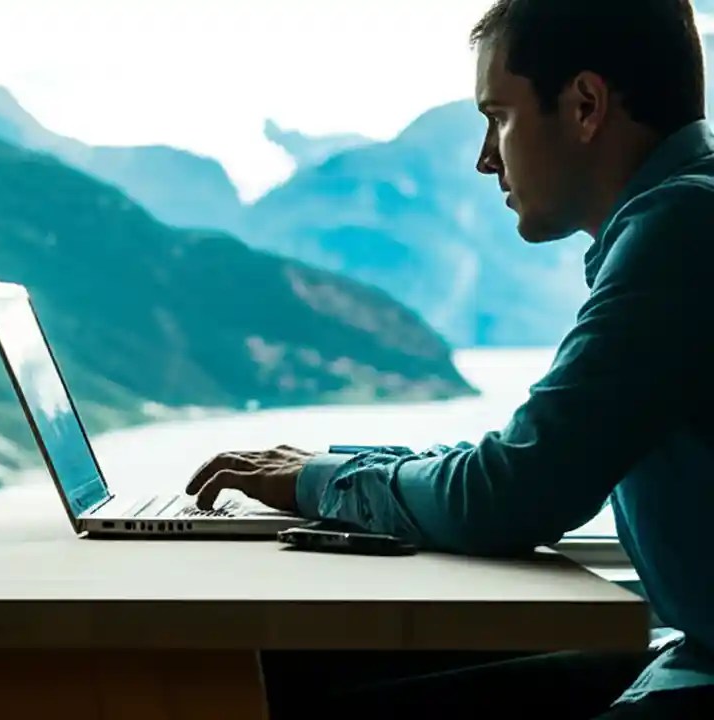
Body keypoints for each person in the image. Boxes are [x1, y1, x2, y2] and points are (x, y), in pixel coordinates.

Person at [184, 0, 714, 717]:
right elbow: (531, 461)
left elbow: (513, 492)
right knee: (322, 684)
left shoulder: (681, 234)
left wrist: (317, 481)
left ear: (585, 105)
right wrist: (334, 472)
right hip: (694, 650)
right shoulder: (681, 218)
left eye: (498, 115)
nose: (485, 157)